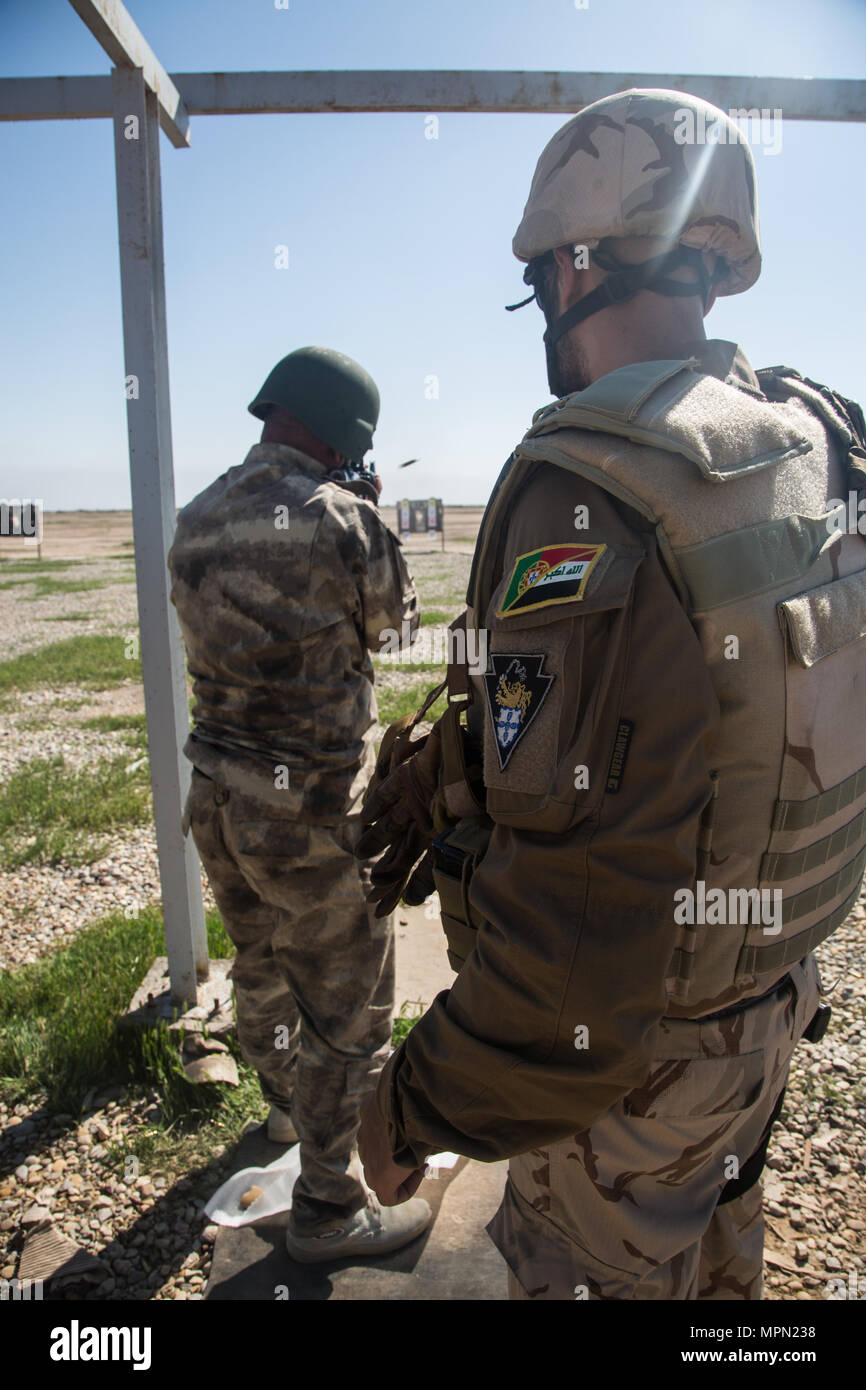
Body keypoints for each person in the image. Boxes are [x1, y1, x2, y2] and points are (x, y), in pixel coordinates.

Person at [356, 91, 866, 1298]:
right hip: (761, 1015)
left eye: (540, 277)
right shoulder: (823, 435)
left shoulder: (587, 489)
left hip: (628, 1079)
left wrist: (411, 1105)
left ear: (571, 267)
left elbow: (574, 954)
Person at [168, 346, 432, 1261]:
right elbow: (394, 624)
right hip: (310, 814)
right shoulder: (340, 521)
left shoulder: (195, 516)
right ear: (345, 432)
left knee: (263, 964)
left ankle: (286, 1111)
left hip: (218, 799)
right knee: (348, 1013)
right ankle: (329, 1207)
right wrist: (369, 514)